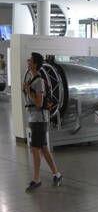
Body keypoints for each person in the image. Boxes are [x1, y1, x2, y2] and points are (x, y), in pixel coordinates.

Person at [23, 50, 61, 191]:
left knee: (35, 149)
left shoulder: (38, 81)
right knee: (43, 149)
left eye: (30, 60)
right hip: (34, 118)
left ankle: (36, 179)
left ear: (35, 64)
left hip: (39, 119)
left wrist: (28, 91)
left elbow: (39, 103)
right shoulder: (32, 79)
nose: (27, 61)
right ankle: (57, 174)